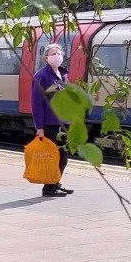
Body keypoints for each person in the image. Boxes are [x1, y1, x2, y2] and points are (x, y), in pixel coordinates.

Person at [31, 41, 73, 197]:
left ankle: (55, 183)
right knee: (53, 157)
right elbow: (36, 102)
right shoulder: (41, 76)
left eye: (59, 53)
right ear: (46, 58)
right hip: (50, 124)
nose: (57, 56)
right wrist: (39, 126)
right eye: (53, 54)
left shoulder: (63, 74)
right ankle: (48, 188)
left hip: (64, 122)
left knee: (63, 157)